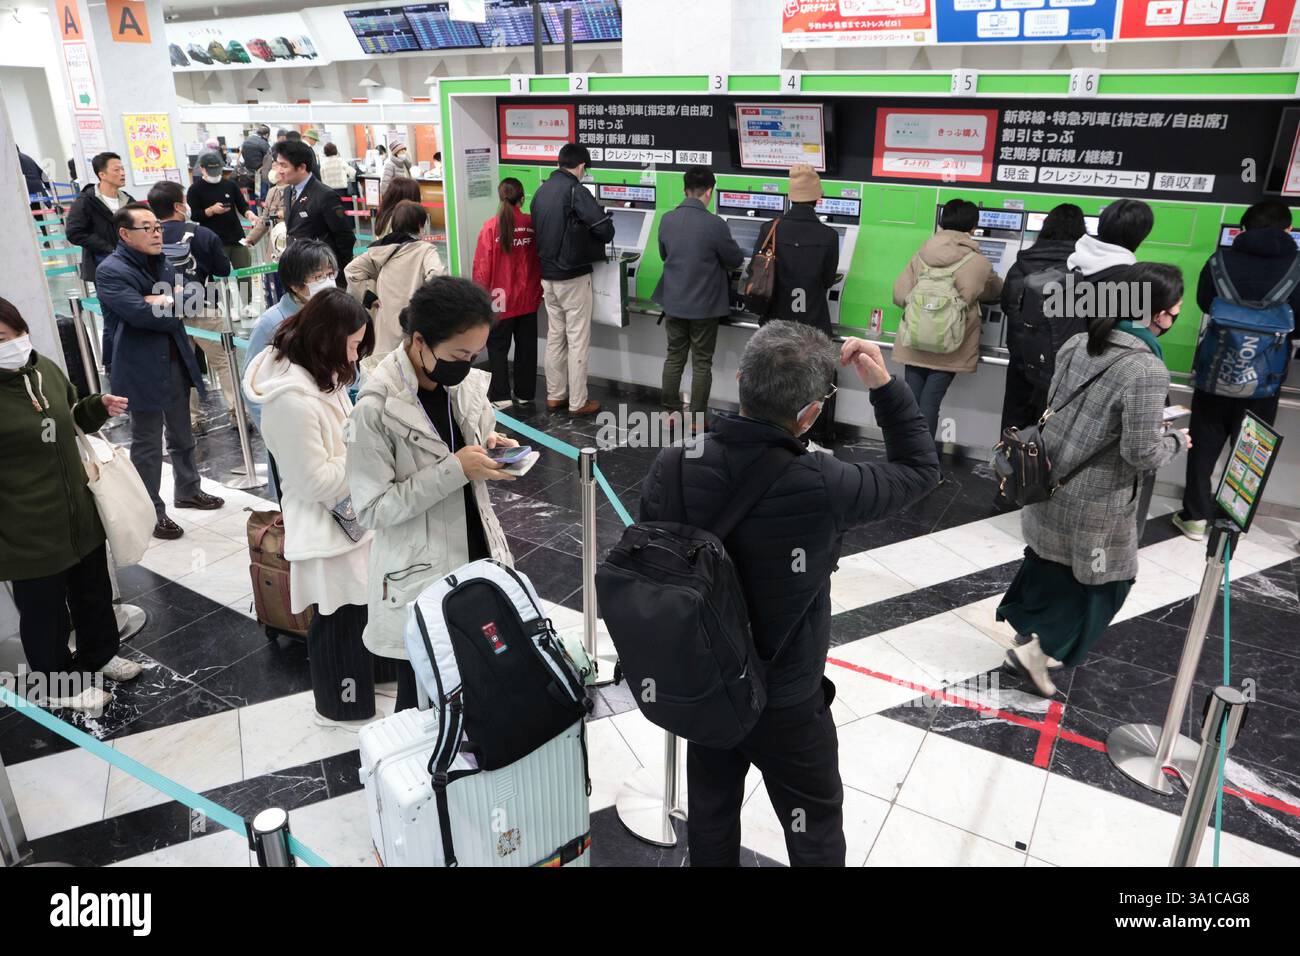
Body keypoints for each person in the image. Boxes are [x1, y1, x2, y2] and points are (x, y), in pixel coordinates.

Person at [638, 321, 940, 866]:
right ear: (810, 414)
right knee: (813, 822)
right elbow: (919, 469)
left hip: (707, 681)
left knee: (710, 807)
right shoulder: (828, 483)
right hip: (786, 694)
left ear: (738, 380)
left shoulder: (675, 463)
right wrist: (884, 386)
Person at [998, 263, 1191, 697]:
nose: (1173, 321)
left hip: (1048, 480)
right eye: (1174, 314)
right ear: (1155, 314)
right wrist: (1176, 442)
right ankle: (1037, 653)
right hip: (1097, 501)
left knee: (1050, 563)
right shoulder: (1146, 369)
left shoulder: (1078, 342)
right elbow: (1140, 453)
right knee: (1106, 580)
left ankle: (1028, 633)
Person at [345, 277, 519, 710]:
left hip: (477, 550)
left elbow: (462, 443)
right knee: (425, 694)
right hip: (419, 570)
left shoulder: (461, 385)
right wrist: (456, 469)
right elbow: (372, 508)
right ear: (420, 340)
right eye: (459, 354)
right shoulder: (376, 409)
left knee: (480, 678)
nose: (467, 363)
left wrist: (490, 443)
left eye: (474, 354)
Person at [242, 289, 378, 725]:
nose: (356, 356)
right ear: (326, 337)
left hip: (349, 516)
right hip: (325, 527)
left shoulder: (319, 370)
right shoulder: (290, 399)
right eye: (353, 344)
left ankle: (365, 685)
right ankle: (341, 708)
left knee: (360, 607)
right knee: (338, 617)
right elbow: (312, 480)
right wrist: (367, 454)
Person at [0, 298, 141, 713]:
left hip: (78, 510)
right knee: (45, 614)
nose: (10, 344)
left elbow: (71, 417)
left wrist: (96, 408)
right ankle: (60, 684)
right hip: (26, 528)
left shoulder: (44, 368)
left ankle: (100, 655)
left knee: (93, 592)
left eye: (10, 334)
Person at [95, 203, 225, 539]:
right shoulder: (111, 270)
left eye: (157, 226)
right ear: (125, 234)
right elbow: (140, 315)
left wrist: (160, 301)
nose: (157, 233)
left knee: (182, 434)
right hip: (139, 367)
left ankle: (188, 489)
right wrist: (166, 301)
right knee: (148, 442)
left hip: (175, 358)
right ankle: (151, 509)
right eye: (148, 228)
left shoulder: (163, 260)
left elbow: (194, 299)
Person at [1172, 200, 1300, 540]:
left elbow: (1203, 302)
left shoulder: (1219, 260)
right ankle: (1231, 519)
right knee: (1250, 448)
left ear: (1243, 229)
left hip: (1217, 370)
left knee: (1203, 442)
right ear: (1288, 229)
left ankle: (1195, 518)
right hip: (1265, 379)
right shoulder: (1298, 266)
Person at [892, 197, 1004, 439]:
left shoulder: (921, 254)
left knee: (911, 402)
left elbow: (900, 294)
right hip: (951, 342)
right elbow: (997, 291)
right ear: (973, 228)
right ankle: (926, 469)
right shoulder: (978, 261)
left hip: (916, 335)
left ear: (942, 223)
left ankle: (904, 461)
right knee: (930, 403)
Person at [653, 165, 744, 430]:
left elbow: (664, 254)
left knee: (674, 356)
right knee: (702, 362)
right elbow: (734, 259)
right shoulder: (715, 224)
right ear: (710, 192)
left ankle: (669, 413)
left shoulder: (667, 219)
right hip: (705, 305)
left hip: (673, 301)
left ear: (685, 190)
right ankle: (696, 419)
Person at [530, 142, 614, 417]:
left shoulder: (541, 191)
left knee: (556, 336)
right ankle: (578, 402)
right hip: (572, 276)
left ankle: (555, 395)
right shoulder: (576, 190)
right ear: (581, 166)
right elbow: (604, 229)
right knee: (577, 339)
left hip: (548, 277)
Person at [148, 180, 235, 421]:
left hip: (164, 309)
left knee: (179, 366)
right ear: (178, 206)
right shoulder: (202, 233)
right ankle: (238, 412)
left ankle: (190, 419)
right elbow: (224, 270)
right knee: (224, 361)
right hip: (202, 305)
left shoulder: (146, 238)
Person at [999, 203, 1086, 433]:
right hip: (1063, 367)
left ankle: (1007, 467)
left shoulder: (1021, 265)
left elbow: (1007, 304)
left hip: (1022, 358)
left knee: (1013, 426)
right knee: (1050, 431)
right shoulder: (1083, 272)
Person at [346, 200, 446, 372]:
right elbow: (437, 276)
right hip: (414, 323)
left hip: (385, 324)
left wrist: (368, 297)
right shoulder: (425, 250)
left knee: (386, 373)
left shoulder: (379, 250)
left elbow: (351, 270)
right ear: (420, 225)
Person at [471, 177, 542, 408]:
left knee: (498, 348)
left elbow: (482, 268)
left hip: (498, 299)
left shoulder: (491, 227)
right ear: (522, 199)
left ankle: (500, 396)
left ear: (501, 197)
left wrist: (480, 299)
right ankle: (525, 393)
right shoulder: (532, 224)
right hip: (528, 297)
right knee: (527, 347)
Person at [752, 165, 839, 336]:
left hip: (773, 326)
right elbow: (827, 281)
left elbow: (754, 270)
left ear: (791, 197)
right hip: (813, 328)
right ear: (817, 198)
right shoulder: (830, 236)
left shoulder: (769, 230)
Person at [271, 139, 355, 282]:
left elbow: (345, 236)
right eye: (278, 164)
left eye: (284, 165)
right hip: (299, 270)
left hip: (322, 274)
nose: (279, 171)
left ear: (302, 167)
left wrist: (336, 272)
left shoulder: (325, 195)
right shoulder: (288, 191)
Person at [66, 151, 135, 289]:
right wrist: (108, 248)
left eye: (122, 169)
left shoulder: (127, 199)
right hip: (103, 262)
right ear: (102, 175)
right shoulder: (85, 201)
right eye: (116, 170)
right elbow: (74, 232)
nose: (122, 173)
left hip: (131, 260)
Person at [187, 152, 255, 274]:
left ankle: (246, 294)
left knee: (244, 274)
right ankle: (223, 294)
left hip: (237, 237)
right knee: (219, 277)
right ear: (202, 169)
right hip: (213, 240)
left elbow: (242, 205)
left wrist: (249, 214)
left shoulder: (229, 185)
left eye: (217, 171)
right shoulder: (195, 190)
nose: (215, 175)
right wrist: (211, 210)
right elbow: (195, 215)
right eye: (211, 172)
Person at [239, 123, 272, 200]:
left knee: (252, 197)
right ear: (266, 135)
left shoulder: (245, 142)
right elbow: (269, 161)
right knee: (262, 198)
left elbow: (240, 161)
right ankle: (262, 211)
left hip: (247, 175)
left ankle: (253, 211)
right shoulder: (264, 144)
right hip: (259, 176)